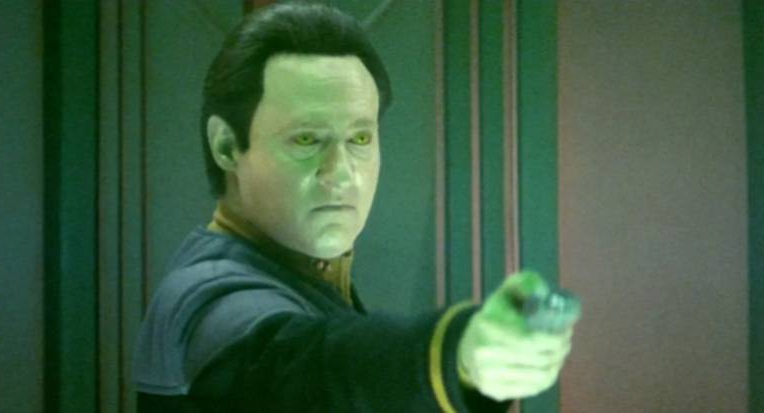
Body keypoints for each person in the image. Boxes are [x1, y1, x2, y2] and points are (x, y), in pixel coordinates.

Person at [133, 2, 576, 412]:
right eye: (307, 139)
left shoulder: (302, 275)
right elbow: (315, 367)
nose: (342, 174)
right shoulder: (208, 302)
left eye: (360, 138)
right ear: (227, 146)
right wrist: (456, 355)